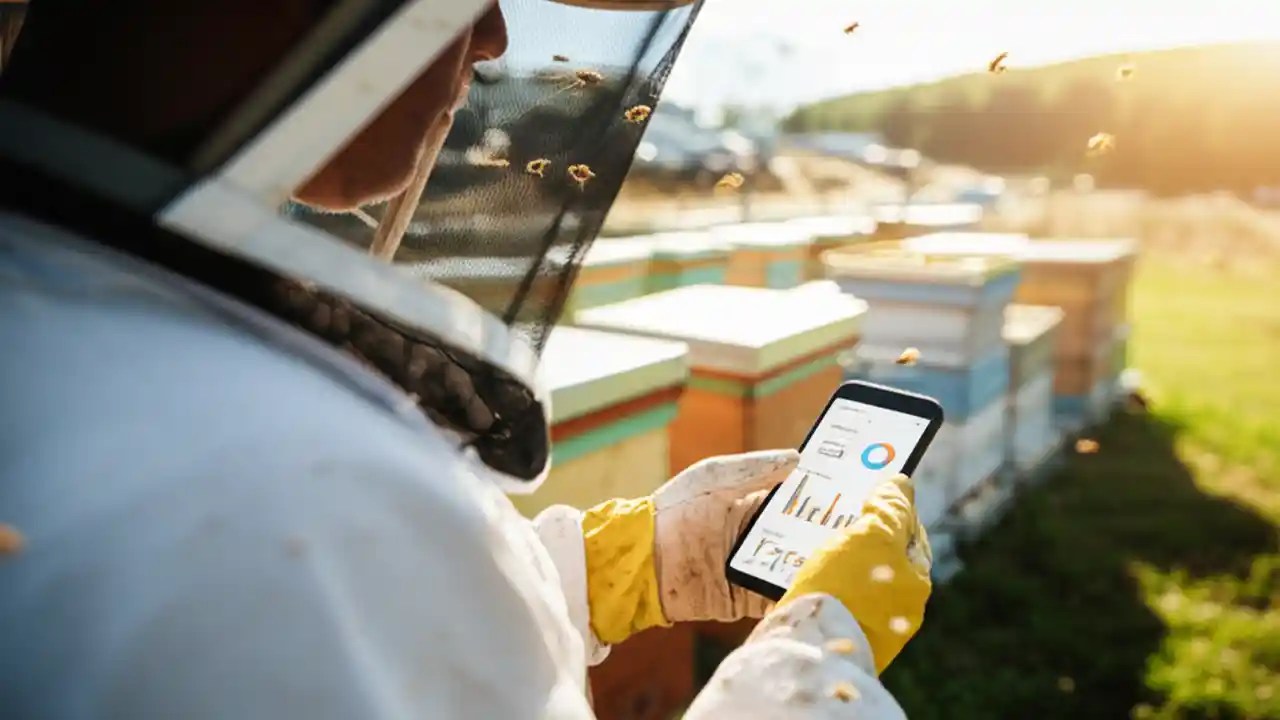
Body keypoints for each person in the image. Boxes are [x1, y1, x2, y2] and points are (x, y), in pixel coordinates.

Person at [0, 1, 932, 717]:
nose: (489, 34)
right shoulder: (292, 485)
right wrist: (815, 669)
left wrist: (610, 568)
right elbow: (300, 565)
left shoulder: (62, 313)